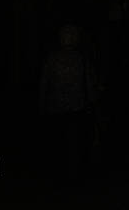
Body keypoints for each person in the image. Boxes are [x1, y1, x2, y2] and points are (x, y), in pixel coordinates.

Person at [38, 24, 98, 187]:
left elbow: (44, 83)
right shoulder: (80, 58)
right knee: (72, 142)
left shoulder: (54, 58)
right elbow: (89, 83)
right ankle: (72, 176)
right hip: (74, 107)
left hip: (59, 107)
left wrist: (43, 103)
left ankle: (61, 174)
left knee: (60, 142)